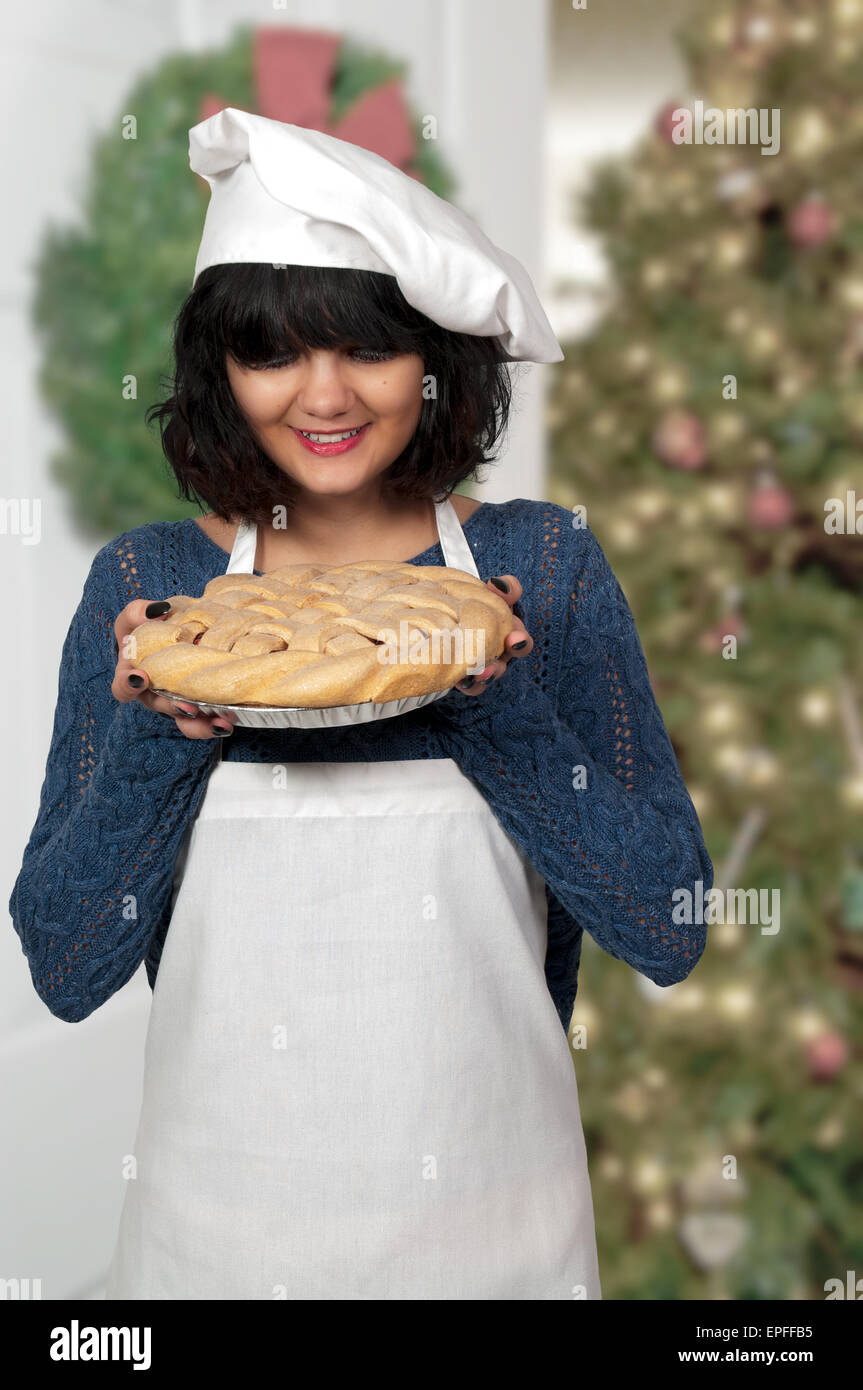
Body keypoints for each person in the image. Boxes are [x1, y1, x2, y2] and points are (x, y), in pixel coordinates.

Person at [9, 110, 713, 1300]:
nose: (323, 396)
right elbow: (66, 962)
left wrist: (491, 701)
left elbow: (669, 920)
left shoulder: (538, 570)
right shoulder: (152, 594)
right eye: (272, 353)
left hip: (495, 1239)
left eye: (366, 351)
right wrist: (160, 731)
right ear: (220, 372)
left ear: (435, 361)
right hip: (216, 1246)